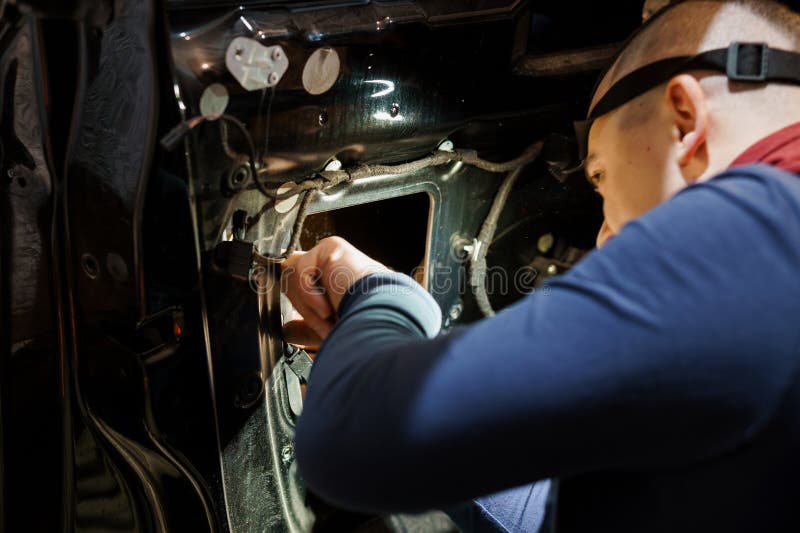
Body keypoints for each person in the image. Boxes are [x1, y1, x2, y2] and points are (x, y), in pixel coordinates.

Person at [281, 1, 800, 531]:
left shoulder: (758, 232)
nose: (604, 236)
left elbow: (353, 443)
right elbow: (567, 502)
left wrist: (384, 299)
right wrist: (397, 361)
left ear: (685, 120)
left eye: (599, 176)